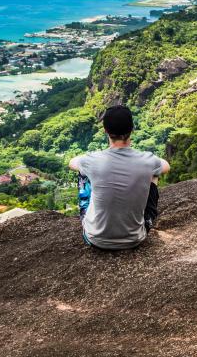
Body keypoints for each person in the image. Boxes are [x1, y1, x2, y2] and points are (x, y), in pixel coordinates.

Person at [69, 105, 170, 250]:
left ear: (106, 131)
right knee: (154, 174)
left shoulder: (92, 160)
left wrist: (92, 157)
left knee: (83, 172)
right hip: (135, 239)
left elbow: (71, 163)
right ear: (132, 129)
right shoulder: (147, 160)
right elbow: (166, 166)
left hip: (95, 239)